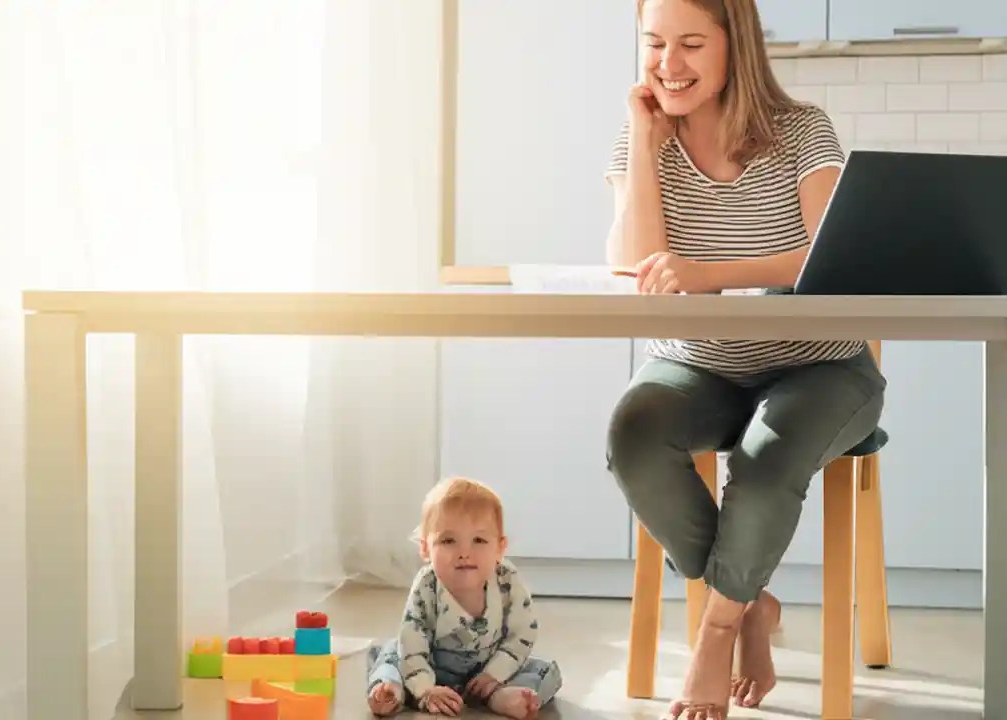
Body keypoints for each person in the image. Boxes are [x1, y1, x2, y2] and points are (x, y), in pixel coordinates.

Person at [603, 0, 886, 718]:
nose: (669, 64)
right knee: (633, 434)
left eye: (691, 43)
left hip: (818, 366)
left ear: (739, 47)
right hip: (702, 366)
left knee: (764, 461)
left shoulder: (801, 130)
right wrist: (642, 141)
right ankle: (751, 600)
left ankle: (716, 631)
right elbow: (633, 263)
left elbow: (832, 254)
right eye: (655, 43)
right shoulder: (643, 142)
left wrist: (705, 271)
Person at [365, 477, 562, 718]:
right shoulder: (427, 585)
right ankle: (390, 693)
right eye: (448, 541)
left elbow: (521, 634)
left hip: (489, 670)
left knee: (545, 670)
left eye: (479, 540)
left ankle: (498, 695)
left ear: (500, 547)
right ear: (426, 548)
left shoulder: (507, 580)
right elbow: (413, 642)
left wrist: (494, 674)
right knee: (390, 654)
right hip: (431, 666)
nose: (464, 553)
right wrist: (425, 689)